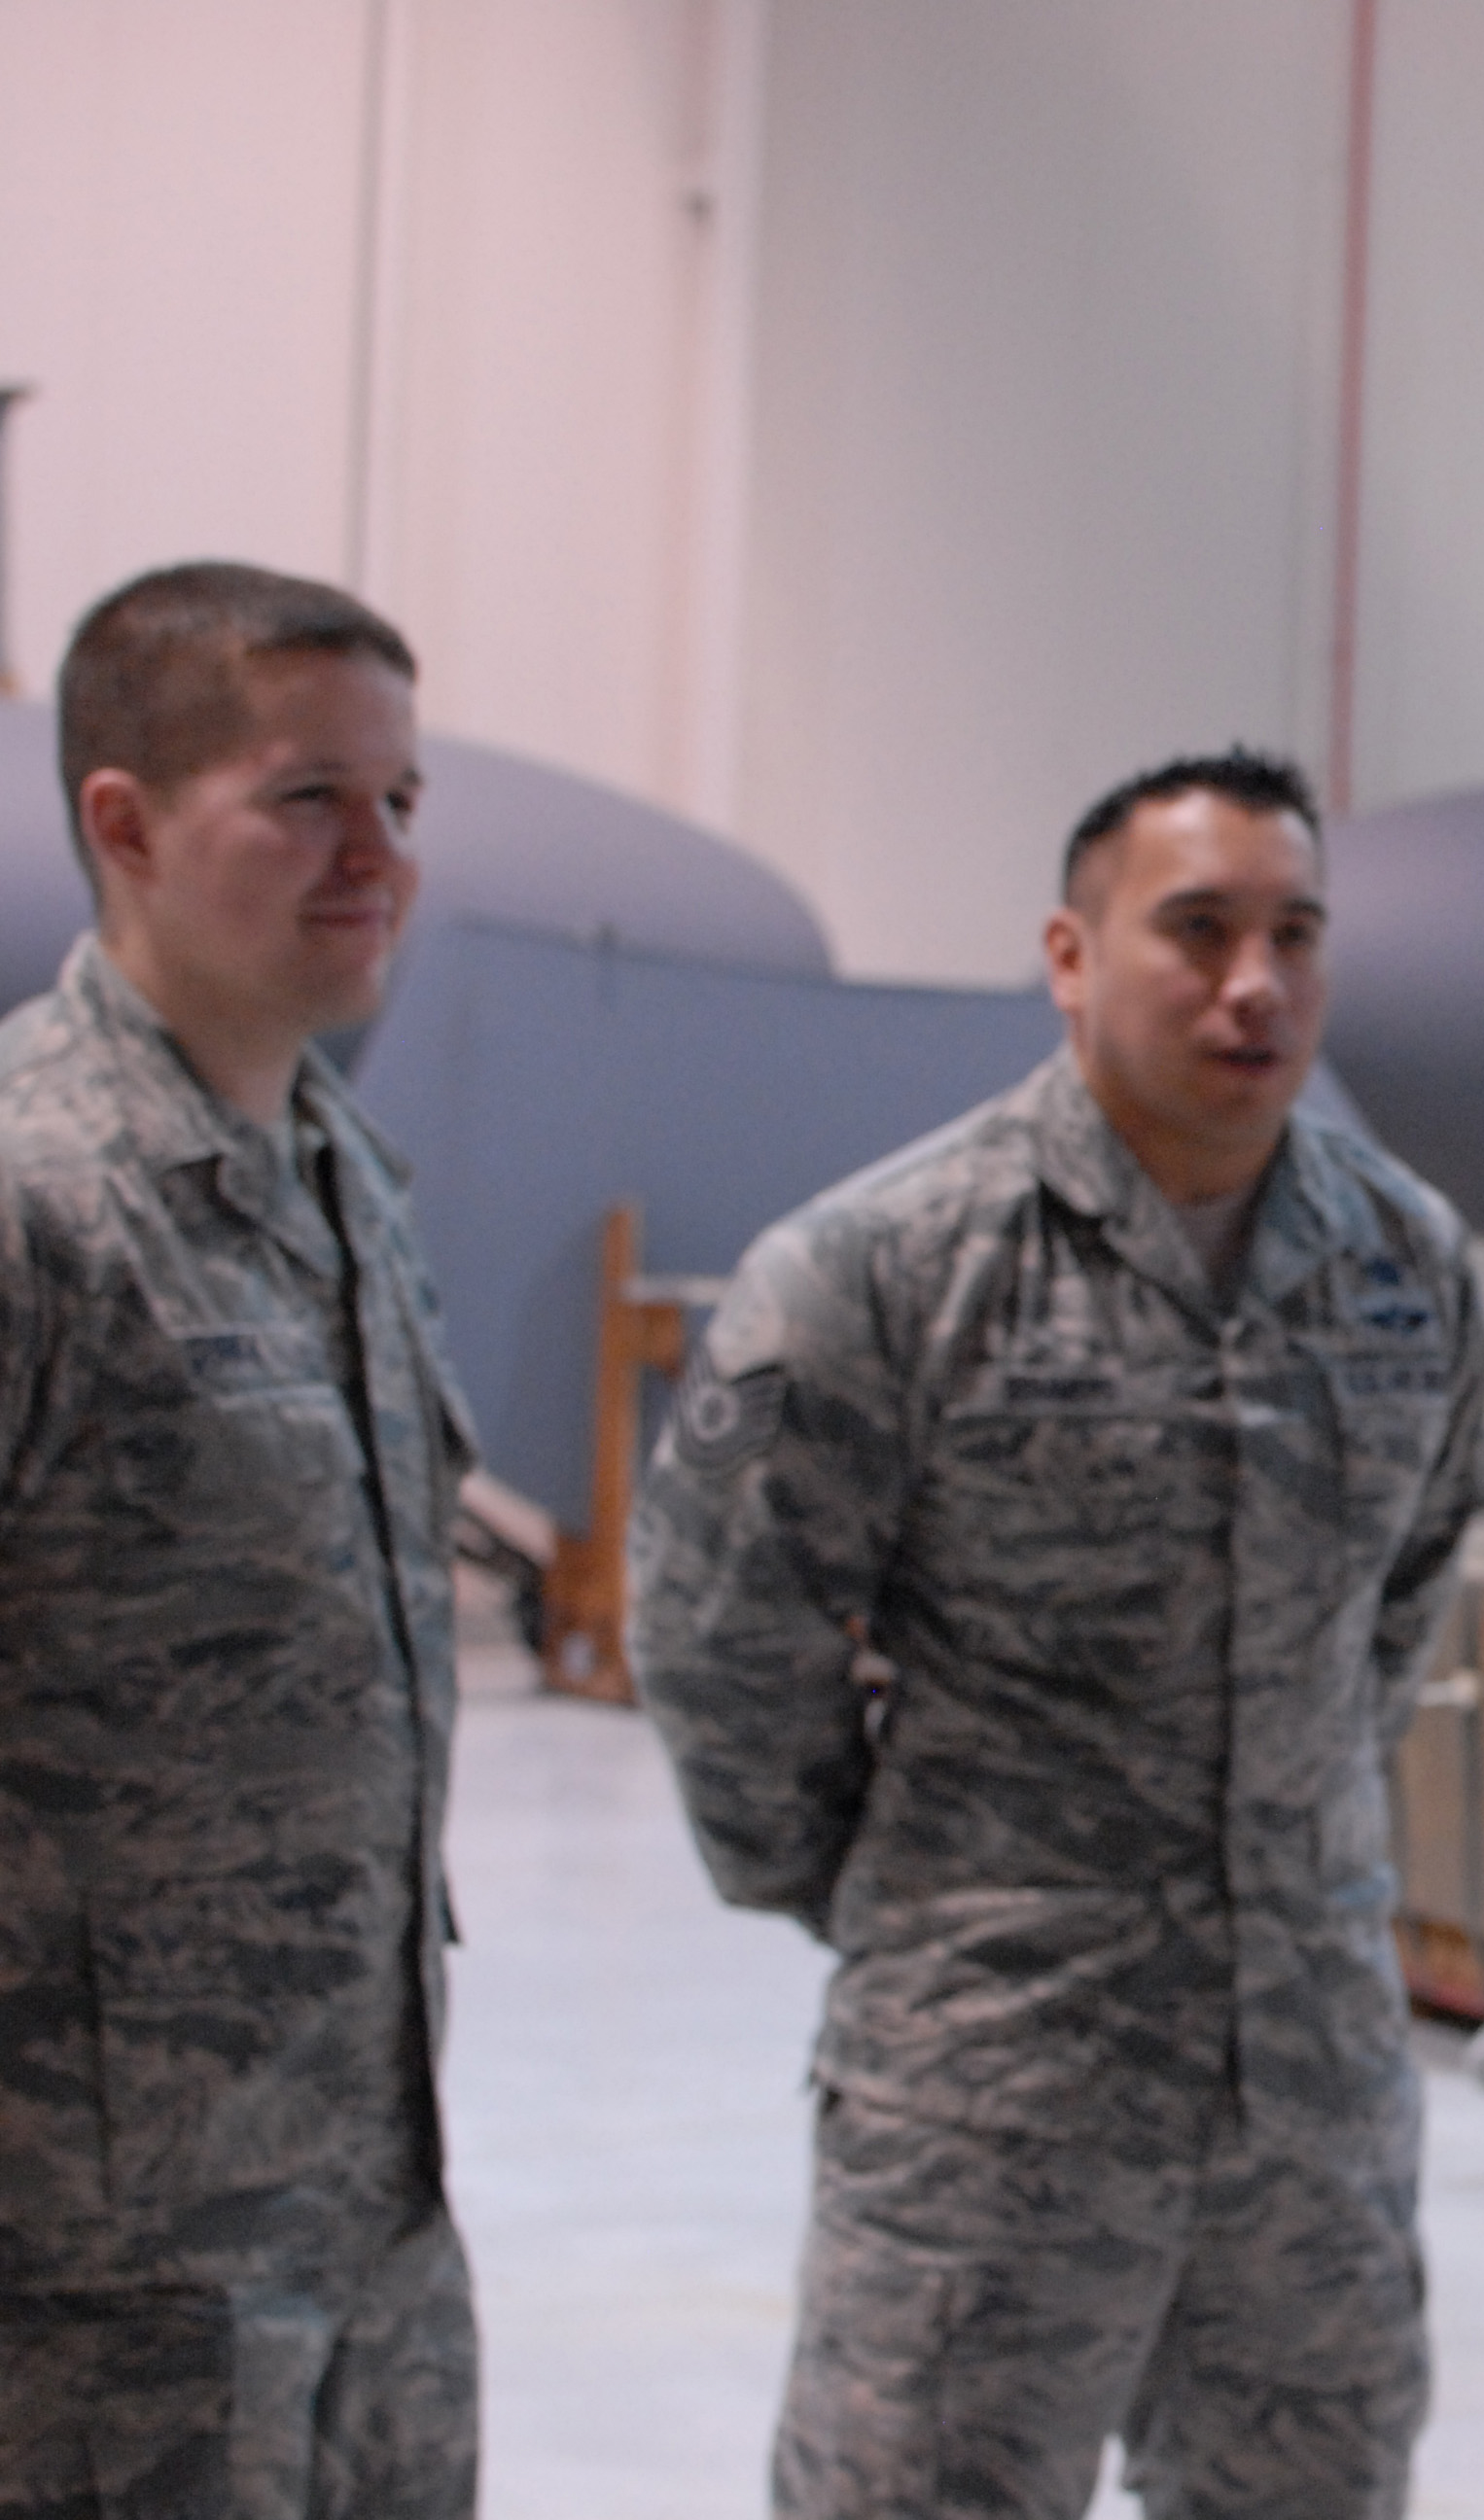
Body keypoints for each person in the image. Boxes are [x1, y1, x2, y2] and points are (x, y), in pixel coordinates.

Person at [631, 748, 1484, 2519]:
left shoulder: (1406, 1263)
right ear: (1071, 953)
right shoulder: (884, 1266)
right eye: (1198, 930)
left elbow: (1397, 1599)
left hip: (1310, 2105)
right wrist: (893, 1898)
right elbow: (724, 1637)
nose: (1256, 983)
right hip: (992, 2103)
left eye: (1295, 933)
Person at [0, 562, 477, 2513]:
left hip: (370, 2215)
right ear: (123, 821)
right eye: (309, 801)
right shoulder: (40, 1206)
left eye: (402, 804)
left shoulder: (342, 1177)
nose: (378, 858)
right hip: (97, 2279)